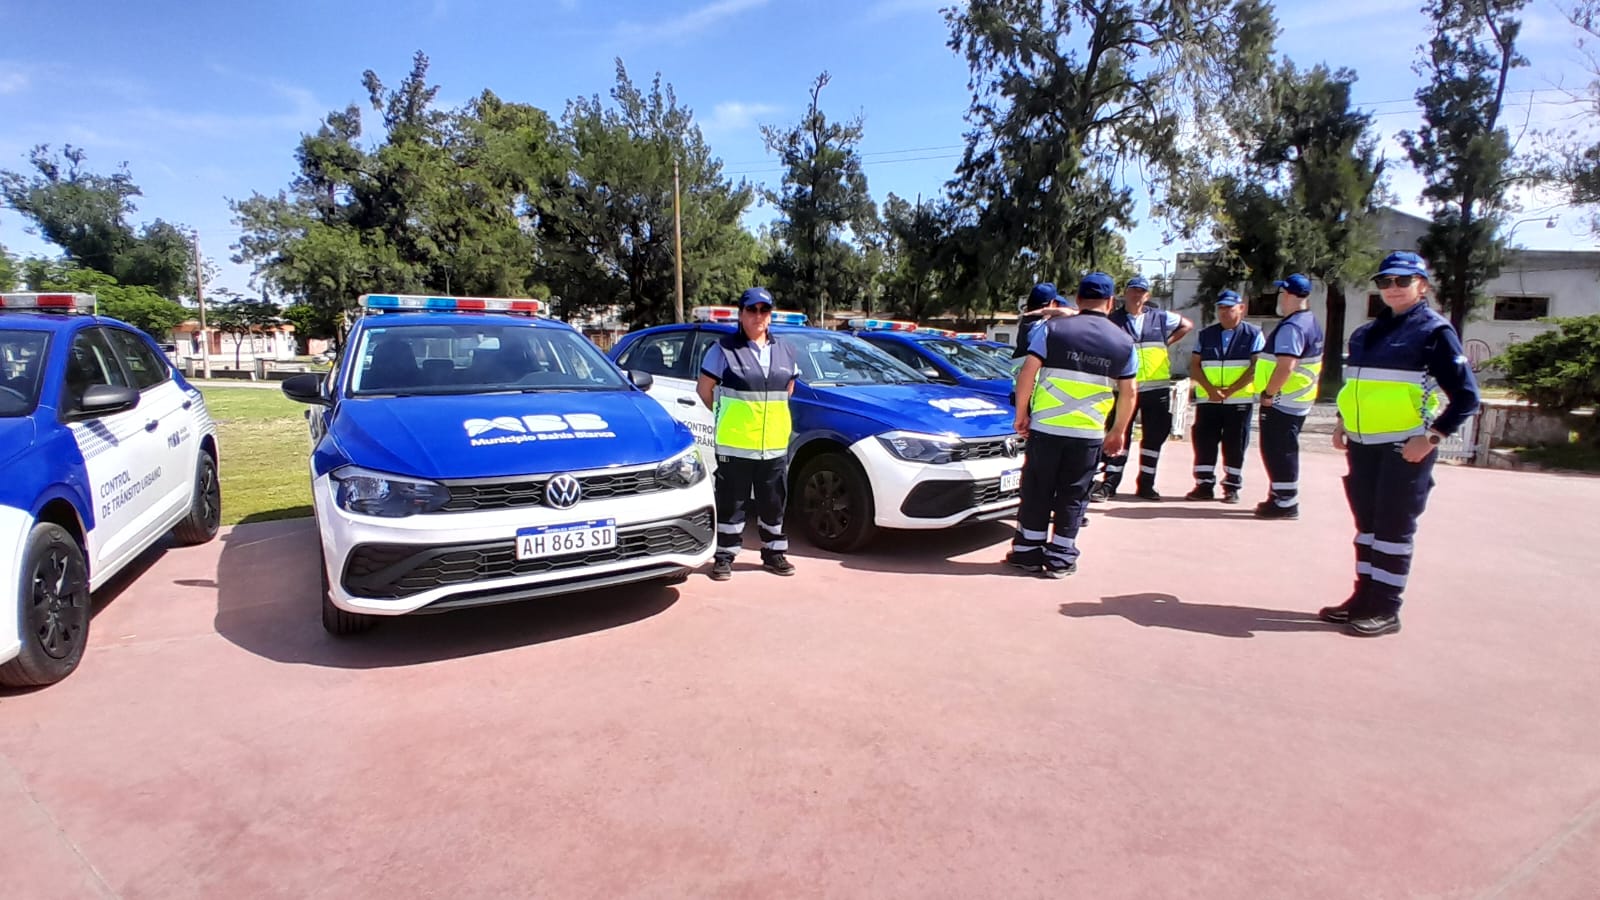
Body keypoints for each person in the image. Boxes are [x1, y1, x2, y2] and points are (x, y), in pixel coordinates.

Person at [1324, 252, 1479, 636]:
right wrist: (1343, 423)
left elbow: (1466, 397)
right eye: (1385, 282)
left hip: (1402, 450)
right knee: (1368, 529)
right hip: (1363, 447)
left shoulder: (1433, 332)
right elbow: (1357, 388)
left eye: (1402, 281)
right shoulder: (1366, 333)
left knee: (1393, 530)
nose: (1392, 288)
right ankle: (1363, 597)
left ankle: (1386, 607)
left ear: (1421, 285)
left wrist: (1430, 438)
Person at [1007, 272, 1137, 578]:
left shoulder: (1053, 329)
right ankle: (1061, 557)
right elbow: (1129, 392)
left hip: (1047, 428)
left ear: (1078, 299)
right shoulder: (1123, 341)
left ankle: (1027, 552)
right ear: (1110, 302)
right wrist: (1118, 431)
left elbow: (1027, 372)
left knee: (1037, 489)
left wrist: (1021, 414)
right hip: (1088, 433)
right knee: (1074, 494)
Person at [697, 287, 801, 581]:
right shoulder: (723, 350)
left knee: (773, 502)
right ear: (741, 315)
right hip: (735, 444)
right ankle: (725, 556)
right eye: (751, 310)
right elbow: (705, 391)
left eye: (763, 310)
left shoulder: (786, 350)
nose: (758, 316)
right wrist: (729, 418)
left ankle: (774, 553)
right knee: (732, 503)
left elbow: (788, 390)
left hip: (774, 445)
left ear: (770, 316)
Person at [1092, 274, 1193, 501]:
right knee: (1119, 435)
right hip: (1124, 388)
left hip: (1156, 390)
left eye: (1141, 291)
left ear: (1147, 295)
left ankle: (1147, 483)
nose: (1137, 295)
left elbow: (1187, 325)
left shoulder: (1159, 317)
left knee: (1153, 438)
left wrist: (1168, 341)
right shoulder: (1113, 319)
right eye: (1133, 290)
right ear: (1125, 293)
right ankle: (1110, 483)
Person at [1254, 273, 1325, 519]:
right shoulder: (1309, 321)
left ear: (1289, 295)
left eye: (1282, 293)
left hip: (1283, 400)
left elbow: (1286, 365)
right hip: (1298, 397)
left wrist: (1269, 393)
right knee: (1282, 448)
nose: (1280, 299)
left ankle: (1285, 501)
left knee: (1278, 449)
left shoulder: (1293, 326)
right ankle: (1280, 495)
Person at [1185, 290, 1264, 503]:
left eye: (1229, 307)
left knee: (1235, 443)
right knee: (1204, 441)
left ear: (1241, 308)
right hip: (1208, 399)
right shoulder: (1206, 334)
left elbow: (1257, 367)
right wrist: (1209, 389)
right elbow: (1195, 365)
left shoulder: (1253, 334)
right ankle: (1203, 484)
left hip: (1238, 400)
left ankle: (1231, 486)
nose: (1224, 312)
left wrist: (1232, 389)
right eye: (1220, 308)